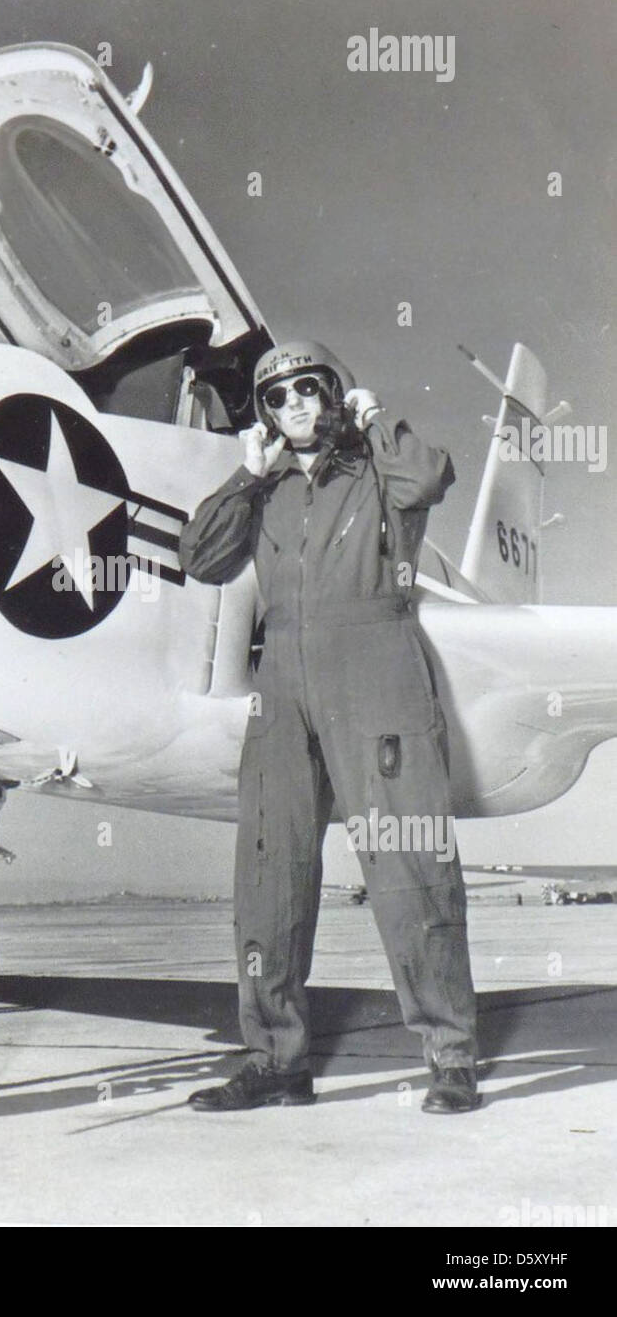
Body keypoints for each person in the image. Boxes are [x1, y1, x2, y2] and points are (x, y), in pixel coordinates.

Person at [178, 340, 479, 1114]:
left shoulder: (377, 469)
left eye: (308, 390)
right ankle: (277, 1061)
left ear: (334, 394)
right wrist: (248, 471)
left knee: (409, 867)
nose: (293, 407)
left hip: (376, 666)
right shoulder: (267, 489)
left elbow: (431, 475)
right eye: (275, 398)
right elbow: (200, 556)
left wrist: (376, 420)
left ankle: (450, 1056)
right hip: (280, 682)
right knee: (267, 877)